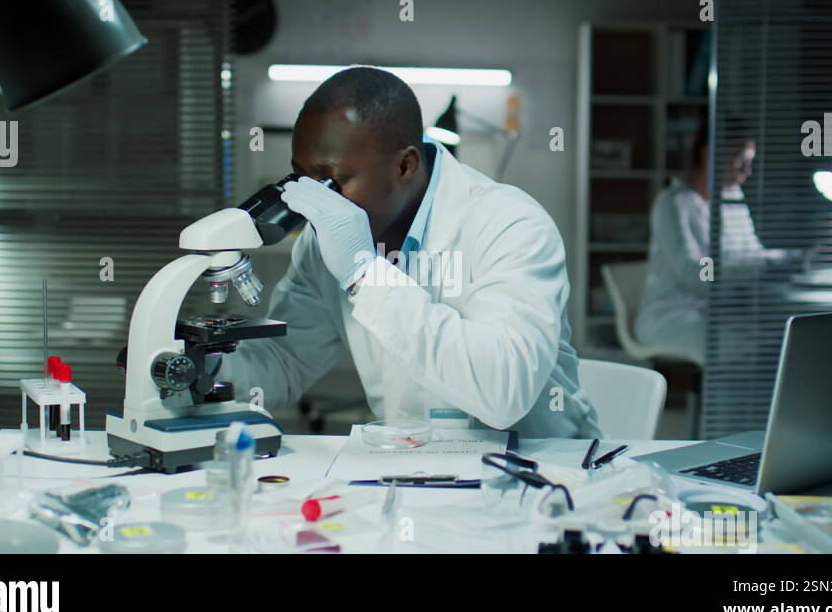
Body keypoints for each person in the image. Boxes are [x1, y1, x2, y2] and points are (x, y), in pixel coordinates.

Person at [224, 66, 599, 439]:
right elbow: (285, 360)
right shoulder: (323, 242)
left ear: (405, 165)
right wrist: (203, 370)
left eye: (332, 181)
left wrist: (364, 276)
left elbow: (503, 392)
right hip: (414, 465)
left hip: (540, 468)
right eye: (300, 178)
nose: (313, 202)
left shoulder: (510, 223)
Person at [635, 118, 800, 366]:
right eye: (739, 161)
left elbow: (752, 253)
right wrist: (759, 267)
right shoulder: (673, 202)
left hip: (719, 313)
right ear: (708, 152)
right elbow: (693, 272)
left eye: (749, 162)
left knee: (777, 335)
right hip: (673, 314)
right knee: (741, 346)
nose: (747, 171)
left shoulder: (733, 199)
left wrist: (786, 259)